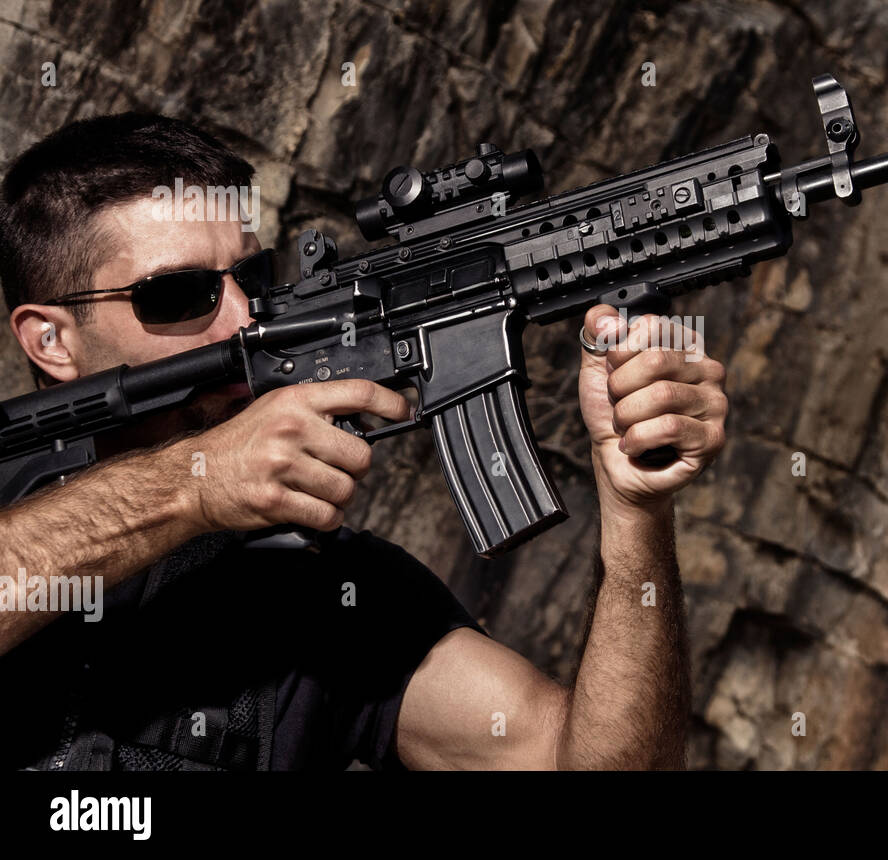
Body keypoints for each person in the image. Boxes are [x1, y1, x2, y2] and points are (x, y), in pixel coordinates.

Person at [0, 113, 728, 770]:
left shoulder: (324, 595)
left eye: (251, 279)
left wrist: (636, 511)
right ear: (51, 339)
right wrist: (194, 483)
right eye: (181, 295)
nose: (242, 319)